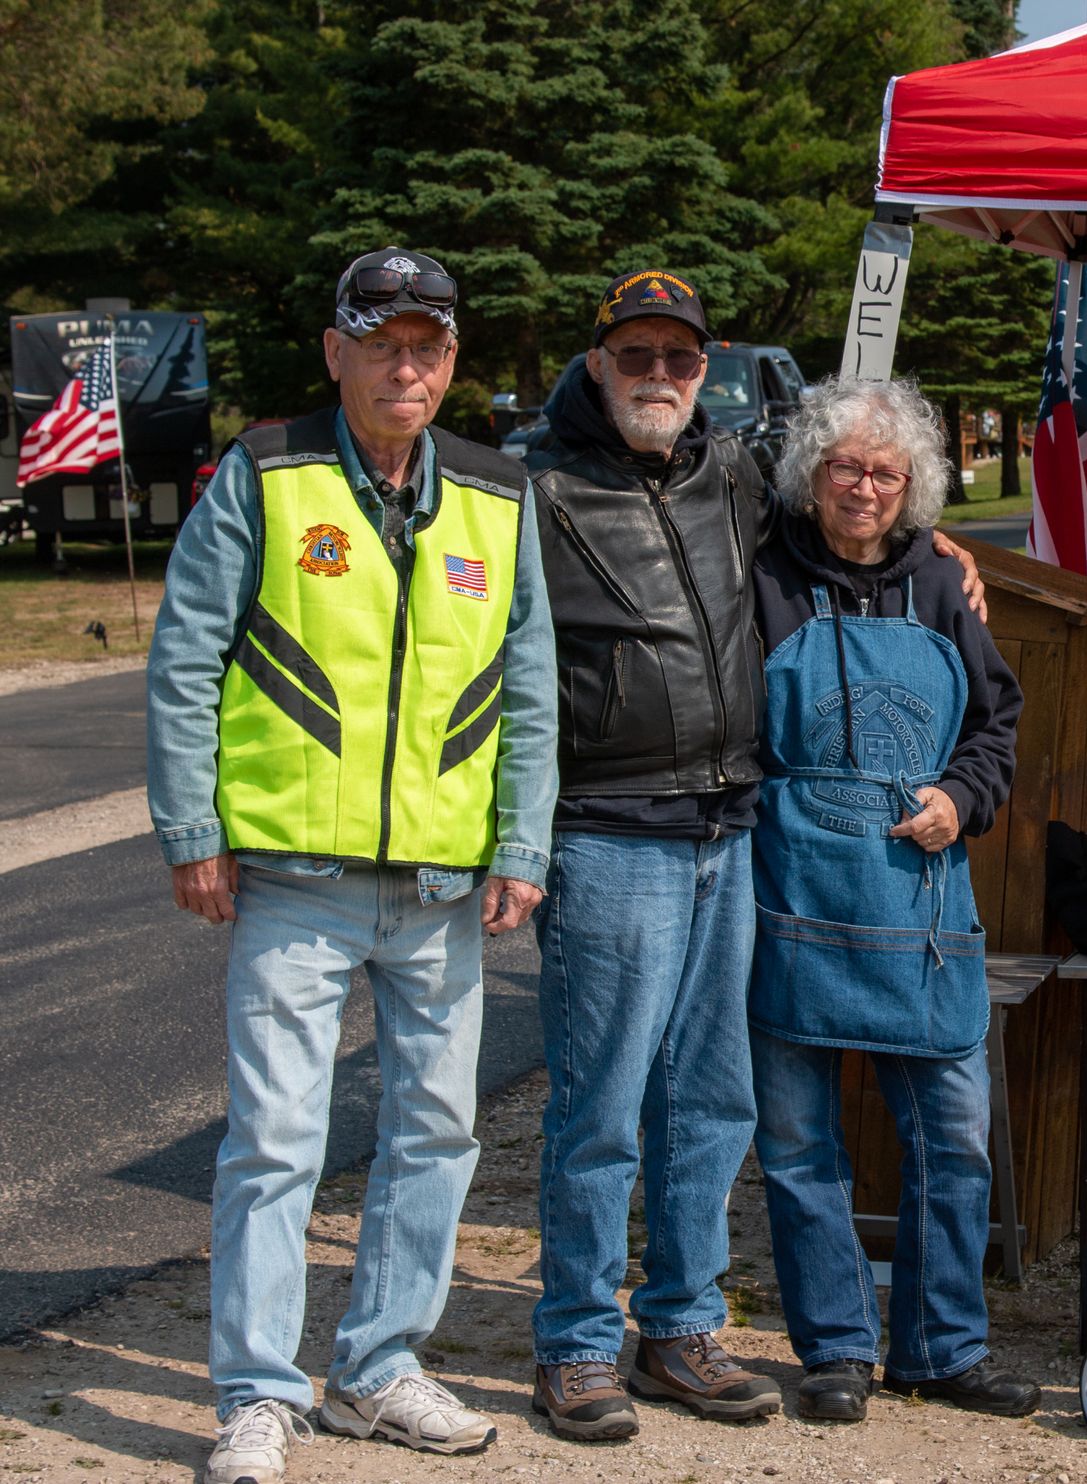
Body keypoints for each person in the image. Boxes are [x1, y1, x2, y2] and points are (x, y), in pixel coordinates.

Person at [524, 275, 988, 1437]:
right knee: (602, 1104)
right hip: (613, 832)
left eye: (680, 359)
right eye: (637, 355)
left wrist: (942, 540)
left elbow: (871, 510)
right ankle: (576, 1344)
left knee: (712, 1105)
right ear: (597, 363)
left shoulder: (728, 477)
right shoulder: (537, 488)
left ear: (705, 371)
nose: (660, 376)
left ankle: (678, 1327)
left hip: (726, 839)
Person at [146, 248, 558, 1484]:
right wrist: (193, 829)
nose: (407, 364)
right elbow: (186, 661)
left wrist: (521, 838)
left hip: (441, 889)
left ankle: (378, 1367)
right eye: (383, 341)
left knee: (436, 1133)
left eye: (428, 345)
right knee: (275, 1140)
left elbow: (530, 681)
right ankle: (259, 1393)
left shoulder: (497, 492)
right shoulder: (264, 474)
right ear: (337, 351)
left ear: (450, 363)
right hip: (296, 879)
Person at [745, 375, 1035, 1424]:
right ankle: (833, 1348)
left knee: (954, 1138)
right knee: (798, 1146)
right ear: (809, 473)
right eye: (844, 467)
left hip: (922, 913)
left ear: (914, 487)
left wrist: (962, 799)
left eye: (885, 472)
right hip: (795, 907)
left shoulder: (947, 587)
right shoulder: (762, 572)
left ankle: (941, 1347)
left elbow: (996, 725)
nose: (863, 488)